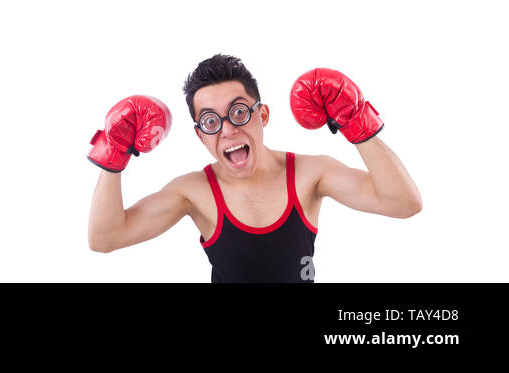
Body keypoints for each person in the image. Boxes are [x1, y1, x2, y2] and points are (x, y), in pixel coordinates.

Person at [86, 54, 421, 282]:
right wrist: (113, 154)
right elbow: (105, 238)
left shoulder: (310, 173)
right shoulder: (194, 192)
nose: (228, 129)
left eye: (240, 113)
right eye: (211, 121)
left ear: (262, 115)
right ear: (201, 136)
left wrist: (356, 122)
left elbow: (404, 203)